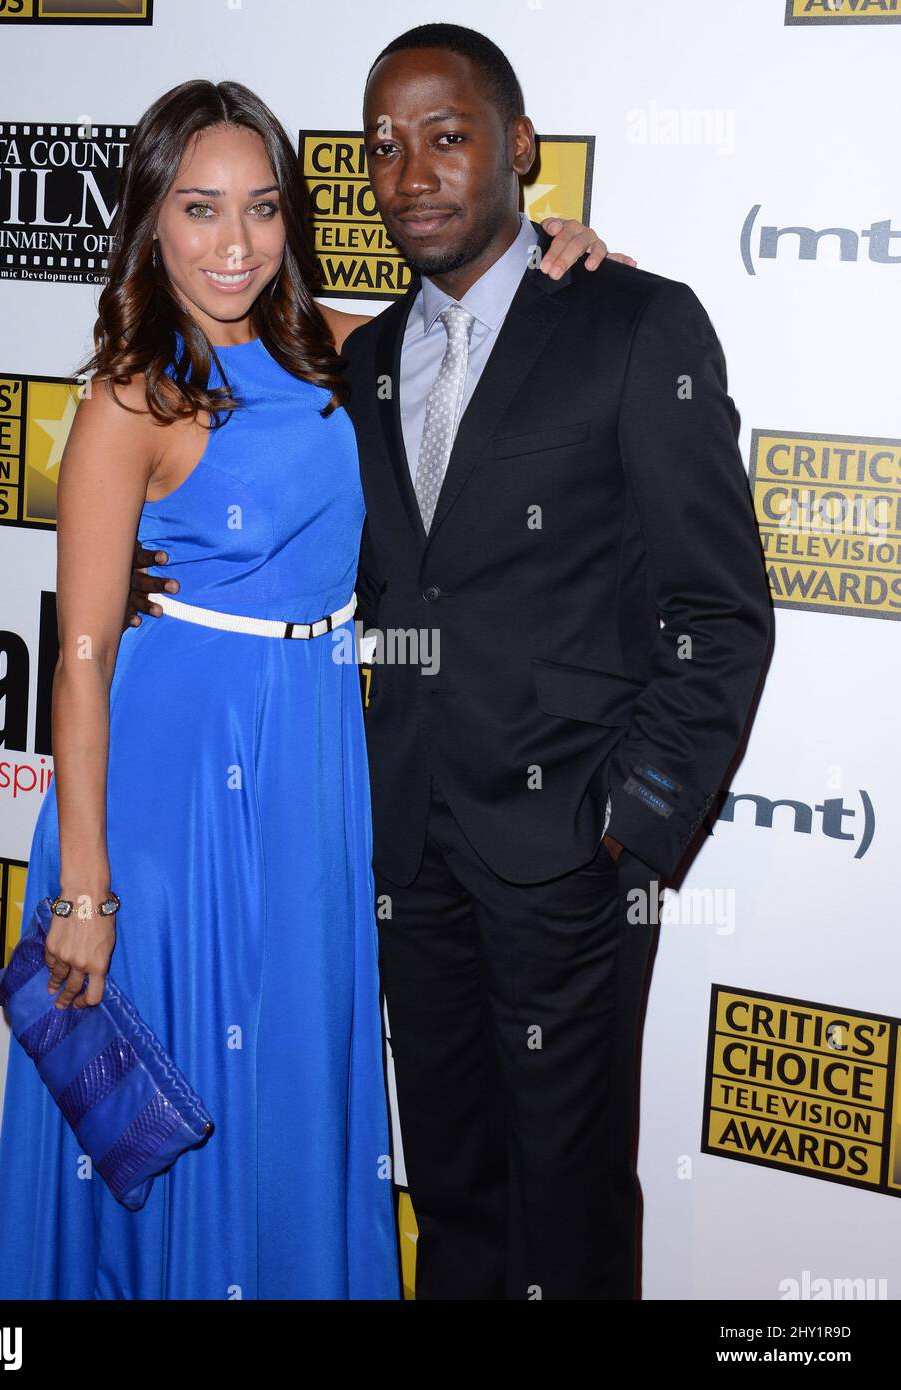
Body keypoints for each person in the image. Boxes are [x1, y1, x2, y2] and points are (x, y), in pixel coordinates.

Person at [134, 23, 773, 1301]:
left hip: (571, 867)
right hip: (406, 854)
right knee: (455, 1191)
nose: (411, 169)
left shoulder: (633, 323)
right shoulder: (349, 364)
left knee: (572, 1202)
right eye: (382, 145)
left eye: (445, 133)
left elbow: (720, 612)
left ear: (519, 148)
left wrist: (630, 831)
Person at [0, 72, 620, 1301]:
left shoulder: (336, 345)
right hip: (178, 790)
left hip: (318, 762)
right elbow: (84, 654)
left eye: (261, 208)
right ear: (151, 221)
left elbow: (476, 332)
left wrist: (563, 251)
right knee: (183, 1096)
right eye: (200, 209)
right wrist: (83, 887)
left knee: (294, 1079)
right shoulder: (129, 396)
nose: (234, 244)